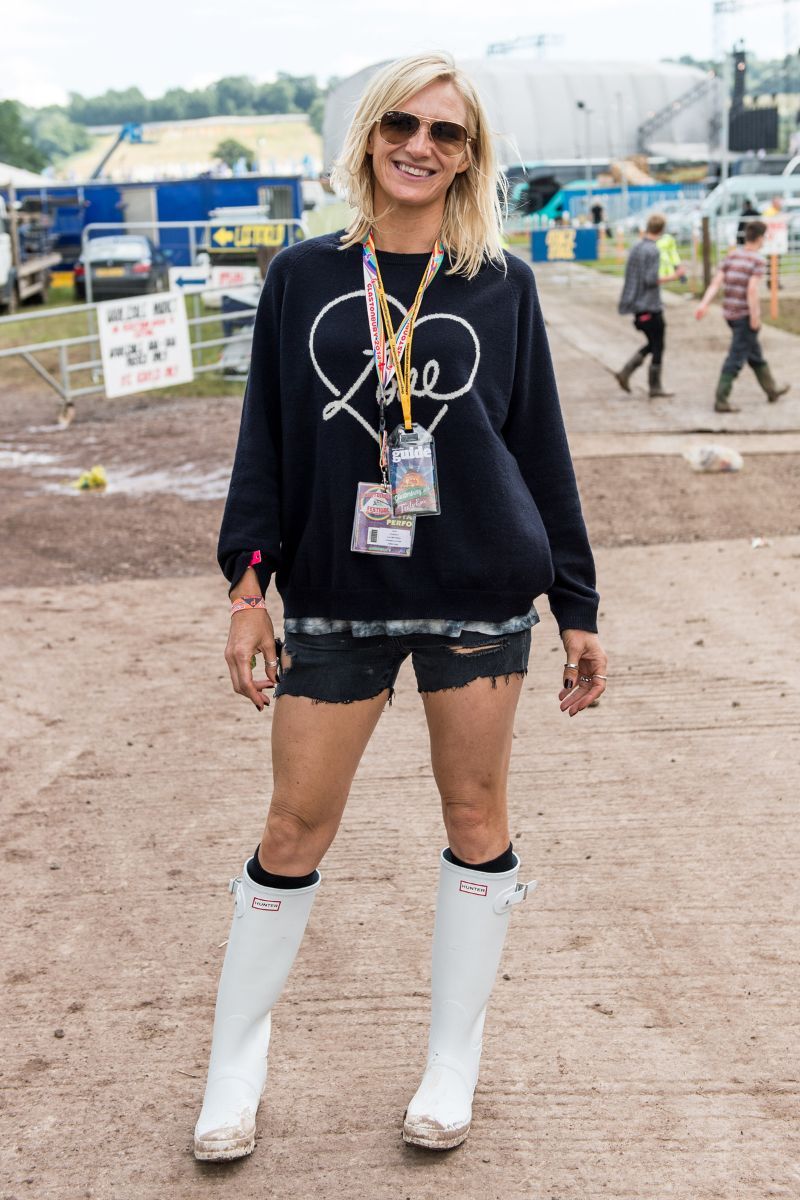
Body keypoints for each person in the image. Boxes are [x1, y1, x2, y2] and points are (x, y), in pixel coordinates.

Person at [194, 51, 607, 1163]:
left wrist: (574, 602)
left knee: (475, 818)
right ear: (371, 135)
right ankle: (235, 1066)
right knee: (293, 826)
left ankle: (450, 1064)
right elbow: (266, 446)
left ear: (471, 156)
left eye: (448, 133)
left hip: (476, 592)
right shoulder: (301, 276)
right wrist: (248, 587)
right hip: (334, 591)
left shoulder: (501, 283)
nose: (421, 145)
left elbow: (540, 453)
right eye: (403, 125)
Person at [695, 218, 789, 413]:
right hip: (744, 316)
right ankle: (721, 399)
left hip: (729, 314)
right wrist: (755, 316)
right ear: (761, 238)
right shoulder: (757, 260)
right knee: (736, 357)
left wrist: (704, 304)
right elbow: (752, 291)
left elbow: (716, 283)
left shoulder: (732, 256)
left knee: (754, 353)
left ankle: (771, 389)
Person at [614, 213, 682, 398]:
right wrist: (674, 276)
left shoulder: (636, 247)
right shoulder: (653, 250)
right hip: (650, 306)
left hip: (635, 304)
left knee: (653, 343)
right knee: (658, 345)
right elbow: (650, 279)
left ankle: (626, 372)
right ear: (662, 230)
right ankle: (653, 385)